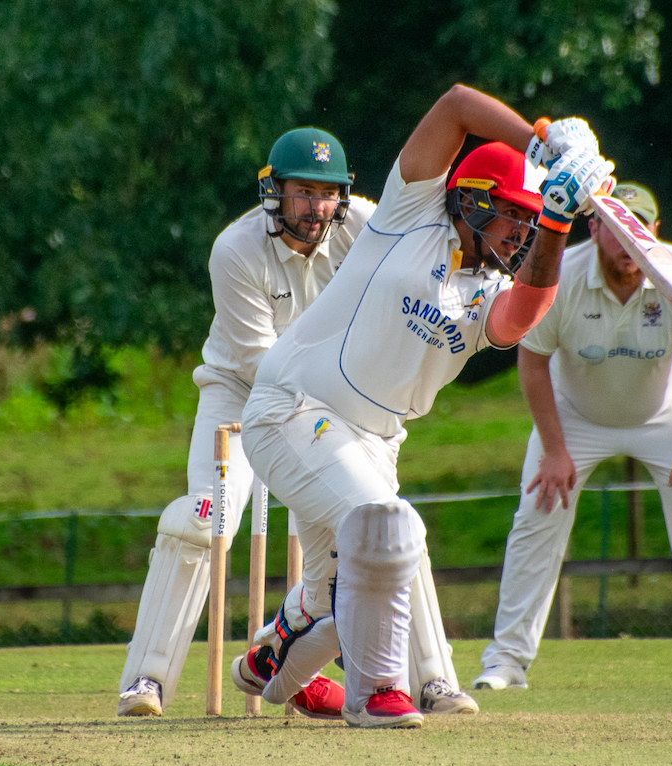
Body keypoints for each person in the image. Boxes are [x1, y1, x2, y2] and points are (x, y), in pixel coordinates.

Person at [231, 83, 615, 728]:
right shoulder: (412, 211)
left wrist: (556, 219)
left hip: (373, 440)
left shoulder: (494, 286)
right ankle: (377, 692)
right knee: (387, 528)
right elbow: (457, 106)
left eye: (531, 224)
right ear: (473, 200)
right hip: (291, 407)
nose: (522, 237)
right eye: (514, 219)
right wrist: (541, 142)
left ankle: (272, 663)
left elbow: (521, 320)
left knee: (334, 599)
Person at [117, 127, 375, 717]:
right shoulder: (235, 248)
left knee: (363, 531)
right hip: (239, 396)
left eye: (328, 193)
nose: (315, 207)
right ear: (275, 191)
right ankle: (147, 679)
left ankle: (301, 670)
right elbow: (264, 365)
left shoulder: (363, 225)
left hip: (328, 402)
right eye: (303, 192)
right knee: (203, 521)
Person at [472, 182, 672, 692]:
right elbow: (533, 359)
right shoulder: (558, 275)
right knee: (535, 518)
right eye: (615, 228)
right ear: (594, 228)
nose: (627, 241)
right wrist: (556, 450)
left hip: (665, 412)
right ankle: (507, 662)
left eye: (638, 229)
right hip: (573, 415)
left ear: (653, 232)